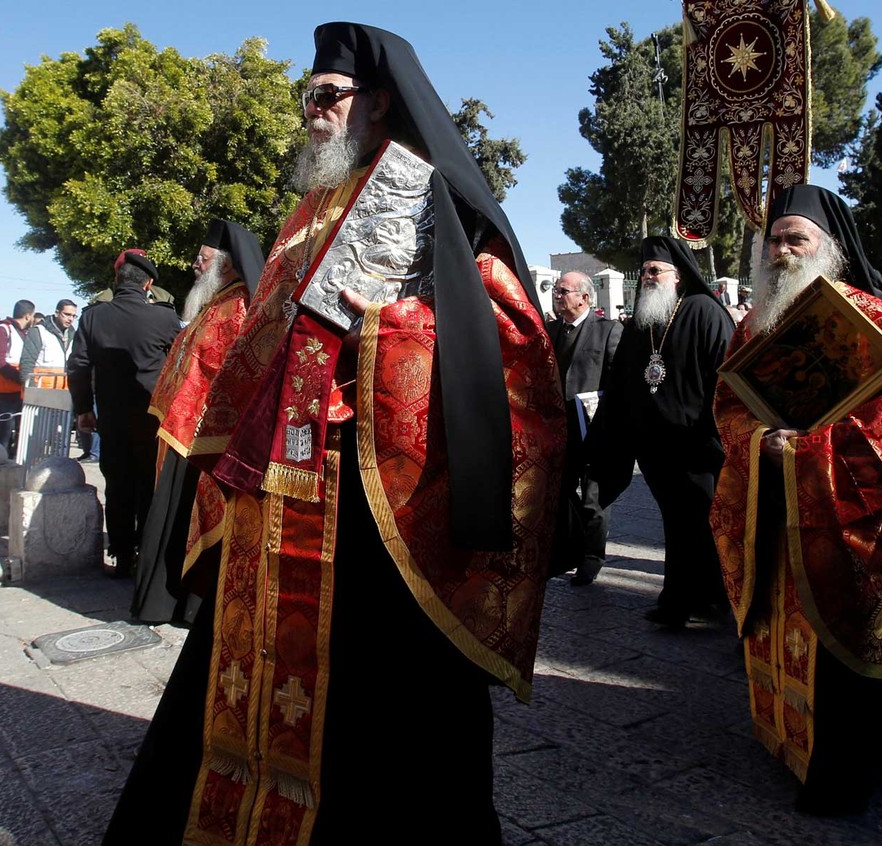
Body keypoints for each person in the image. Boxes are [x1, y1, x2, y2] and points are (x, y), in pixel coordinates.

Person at [102, 23, 564, 845]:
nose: (313, 111)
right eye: (307, 97)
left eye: (329, 96)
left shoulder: (431, 196)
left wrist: (388, 330)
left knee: (383, 702)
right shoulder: (308, 211)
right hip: (276, 484)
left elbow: (510, 333)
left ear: (378, 101)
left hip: (376, 505)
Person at [710, 184, 882, 816]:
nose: (781, 251)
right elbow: (729, 406)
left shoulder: (870, 315)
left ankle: (845, 768)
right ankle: (786, 741)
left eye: (795, 239)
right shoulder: (754, 322)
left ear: (828, 247)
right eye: (773, 240)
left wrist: (801, 450)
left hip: (849, 509)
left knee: (846, 641)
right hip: (775, 506)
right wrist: (762, 442)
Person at [591, 235, 734, 628]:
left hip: (698, 445)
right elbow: (622, 380)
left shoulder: (705, 311)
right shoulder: (643, 320)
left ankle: (710, 600)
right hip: (655, 448)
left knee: (701, 522)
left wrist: (716, 433)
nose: (647, 277)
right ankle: (684, 598)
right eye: (643, 271)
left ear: (678, 275)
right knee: (677, 522)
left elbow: (725, 378)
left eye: (655, 270)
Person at [131, 220, 264, 625]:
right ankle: (160, 600)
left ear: (227, 264)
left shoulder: (239, 305)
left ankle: (189, 603)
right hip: (182, 430)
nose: (194, 264)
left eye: (203, 259)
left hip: (209, 438)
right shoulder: (213, 303)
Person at [69, 254, 181, 576]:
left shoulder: (93, 317)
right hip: (153, 418)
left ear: (117, 280)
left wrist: (83, 408)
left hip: (112, 418)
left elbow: (78, 365)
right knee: (149, 484)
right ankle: (148, 553)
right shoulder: (165, 318)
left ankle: (121, 553)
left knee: (117, 484)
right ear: (148, 284)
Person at [547, 271, 622, 586]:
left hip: (593, 430)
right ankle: (568, 549)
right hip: (559, 430)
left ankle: (591, 558)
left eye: (563, 290)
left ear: (584, 298)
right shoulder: (551, 330)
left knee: (594, 499)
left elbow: (618, 381)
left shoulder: (608, 331)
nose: (557, 295)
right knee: (559, 493)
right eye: (556, 289)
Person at [0, 299, 34, 451]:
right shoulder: (3, 329)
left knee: (19, 436)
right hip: (4, 393)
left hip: (20, 392)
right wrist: (19, 378)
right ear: (28, 316)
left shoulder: (23, 333)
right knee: (2, 436)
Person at [19, 299, 78, 387]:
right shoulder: (39, 331)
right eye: (67, 314)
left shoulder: (73, 335)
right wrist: (32, 390)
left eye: (74, 316)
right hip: (40, 391)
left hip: (64, 392)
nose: (71, 319)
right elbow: (26, 364)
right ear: (57, 313)